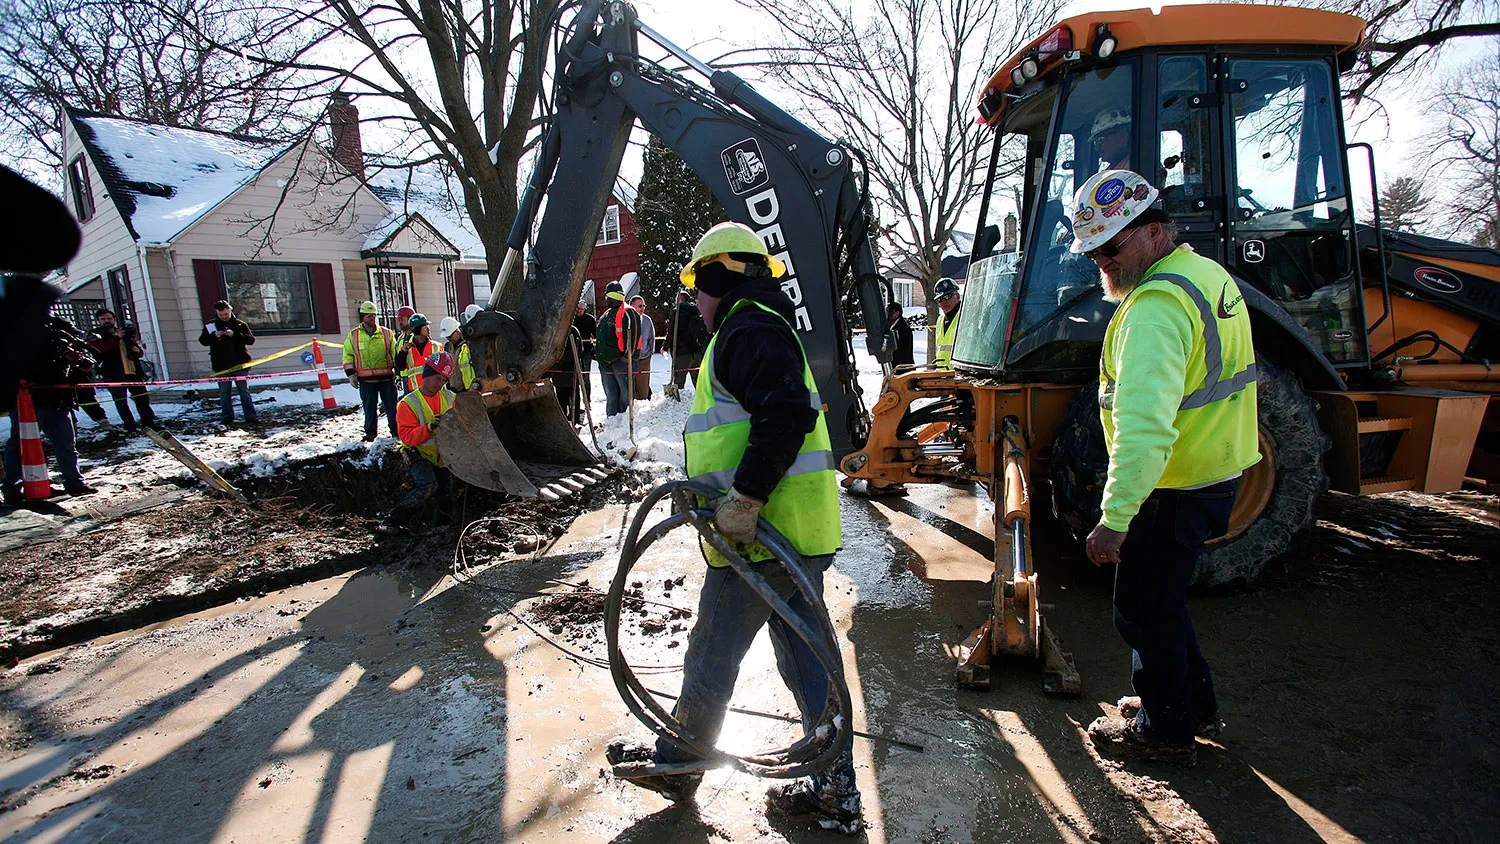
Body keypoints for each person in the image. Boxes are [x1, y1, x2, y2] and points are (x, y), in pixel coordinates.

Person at [606, 222, 861, 835]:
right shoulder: (767, 328)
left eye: (698, 285)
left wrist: (744, 498)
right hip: (793, 534)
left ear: (721, 276)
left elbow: (786, 415)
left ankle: (678, 765)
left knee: (711, 656)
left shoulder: (746, 328)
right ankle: (834, 785)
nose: (695, 300)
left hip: (757, 538)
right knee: (806, 661)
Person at [1073, 170, 1259, 765]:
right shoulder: (1204, 276)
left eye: (1112, 246)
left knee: (1143, 609)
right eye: (1094, 251)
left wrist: (1114, 518)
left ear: (1154, 232)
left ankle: (1166, 731)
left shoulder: (1154, 308)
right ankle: (1189, 703)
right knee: (1167, 601)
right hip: (1213, 473)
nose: (1102, 261)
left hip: (1170, 484)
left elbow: (1145, 429)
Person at [4, 317, 99, 501]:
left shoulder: (58, 331)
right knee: (19, 444)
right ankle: (11, 486)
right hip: (30, 402)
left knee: (66, 444)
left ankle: (74, 481)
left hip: (59, 401)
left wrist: (82, 369)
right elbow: (26, 371)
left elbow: (70, 380)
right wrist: (61, 361)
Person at [376, 351, 458, 534]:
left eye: (444, 380)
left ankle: (442, 528)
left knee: (445, 490)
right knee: (428, 485)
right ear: (427, 375)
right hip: (416, 453)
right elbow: (407, 437)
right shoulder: (408, 403)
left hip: (440, 455)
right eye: (437, 378)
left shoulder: (450, 398)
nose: (440, 384)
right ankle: (392, 521)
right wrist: (428, 428)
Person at [87, 308, 158, 432]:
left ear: (114, 319)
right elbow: (100, 349)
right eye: (103, 319)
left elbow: (136, 348)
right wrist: (116, 338)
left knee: (142, 398)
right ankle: (130, 426)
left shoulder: (122, 332)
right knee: (121, 401)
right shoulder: (95, 335)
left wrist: (137, 351)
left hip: (132, 370)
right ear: (98, 321)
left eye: (109, 318)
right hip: (112, 373)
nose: (106, 321)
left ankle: (149, 423)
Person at [343, 300, 399, 442]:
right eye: (368, 316)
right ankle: (370, 433)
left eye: (373, 315)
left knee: (392, 407)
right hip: (366, 380)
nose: (372, 318)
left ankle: (396, 431)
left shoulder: (386, 334)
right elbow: (348, 354)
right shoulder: (354, 335)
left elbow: (394, 353)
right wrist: (351, 374)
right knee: (369, 408)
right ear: (362, 317)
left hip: (386, 378)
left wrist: (397, 371)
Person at [197, 299, 259, 426]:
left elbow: (251, 340)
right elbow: (203, 341)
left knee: (244, 391)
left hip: (240, 363)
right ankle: (227, 417)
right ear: (217, 313)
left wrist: (235, 334)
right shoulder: (210, 326)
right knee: (224, 392)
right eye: (221, 315)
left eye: (226, 314)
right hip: (221, 365)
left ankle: (250, 416)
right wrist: (215, 336)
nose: (224, 317)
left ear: (230, 311)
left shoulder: (240, 324)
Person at [594, 279, 639, 417]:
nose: (605, 299)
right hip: (606, 363)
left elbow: (634, 336)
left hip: (621, 362)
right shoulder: (607, 314)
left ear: (612, 296)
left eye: (607, 296)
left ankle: (626, 422)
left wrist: (627, 358)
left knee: (626, 395)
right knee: (611, 395)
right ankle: (612, 422)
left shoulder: (628, 312)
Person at [663, 289, 707, 400]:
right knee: (699, 382)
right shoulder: (696, 311)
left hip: (682, 352)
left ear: (679, 300)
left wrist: (665, 346)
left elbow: (672, 331)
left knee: (678, 381)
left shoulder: (676, 312)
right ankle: (704, 403)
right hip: (696, 352)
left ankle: (677, 405)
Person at [396, 314, 440, 393]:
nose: (428, 329)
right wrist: (403, 352)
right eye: (425, 327)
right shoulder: (407, 349)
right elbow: (400, 367)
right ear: (418, 329)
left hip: (435, 390)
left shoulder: (436, 346)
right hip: (415, 392)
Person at [931, 278, 961, 370]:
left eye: (948, 297)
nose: (944, 302)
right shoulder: (940, 320)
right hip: (942, 375)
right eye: (940, 299)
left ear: (958, 296)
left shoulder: (966, 317)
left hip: (959, 377)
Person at [438, 316, 474, 391]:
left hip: (469, 389)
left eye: (449, 336)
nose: (448, 339)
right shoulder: (448, 347)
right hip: (453, 389)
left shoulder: (469, 344)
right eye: (446, 337)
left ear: (457, 332)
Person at [630, 295, 654, 401]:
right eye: (640, 306)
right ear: (632, 306)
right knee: (630, 387)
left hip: (644, 359)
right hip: (629, 360)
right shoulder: (626, 319)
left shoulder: (647, 320)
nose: (642, 308)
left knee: (643, 387)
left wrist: (649, 355)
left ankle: (643, 406)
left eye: (643, 306)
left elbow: (651, 339)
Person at [572, 298, 596, 400]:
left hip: (586, 351)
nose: (578, 311)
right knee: (574, 377)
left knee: (585, 376)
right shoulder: (571, 320)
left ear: (584, 309)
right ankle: (575, 400)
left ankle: (587, 400)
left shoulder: (590, 320)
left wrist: (594, 348)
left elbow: (596, 334)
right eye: (577, 309)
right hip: (573, 351)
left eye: (581, 309)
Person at [885, 301, 914, 367]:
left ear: (897, 313)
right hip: (893, 365)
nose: (887, 314)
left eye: (889, 312)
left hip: (903, 367)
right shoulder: (889, 326)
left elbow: (904, 350)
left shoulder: (903, 328)